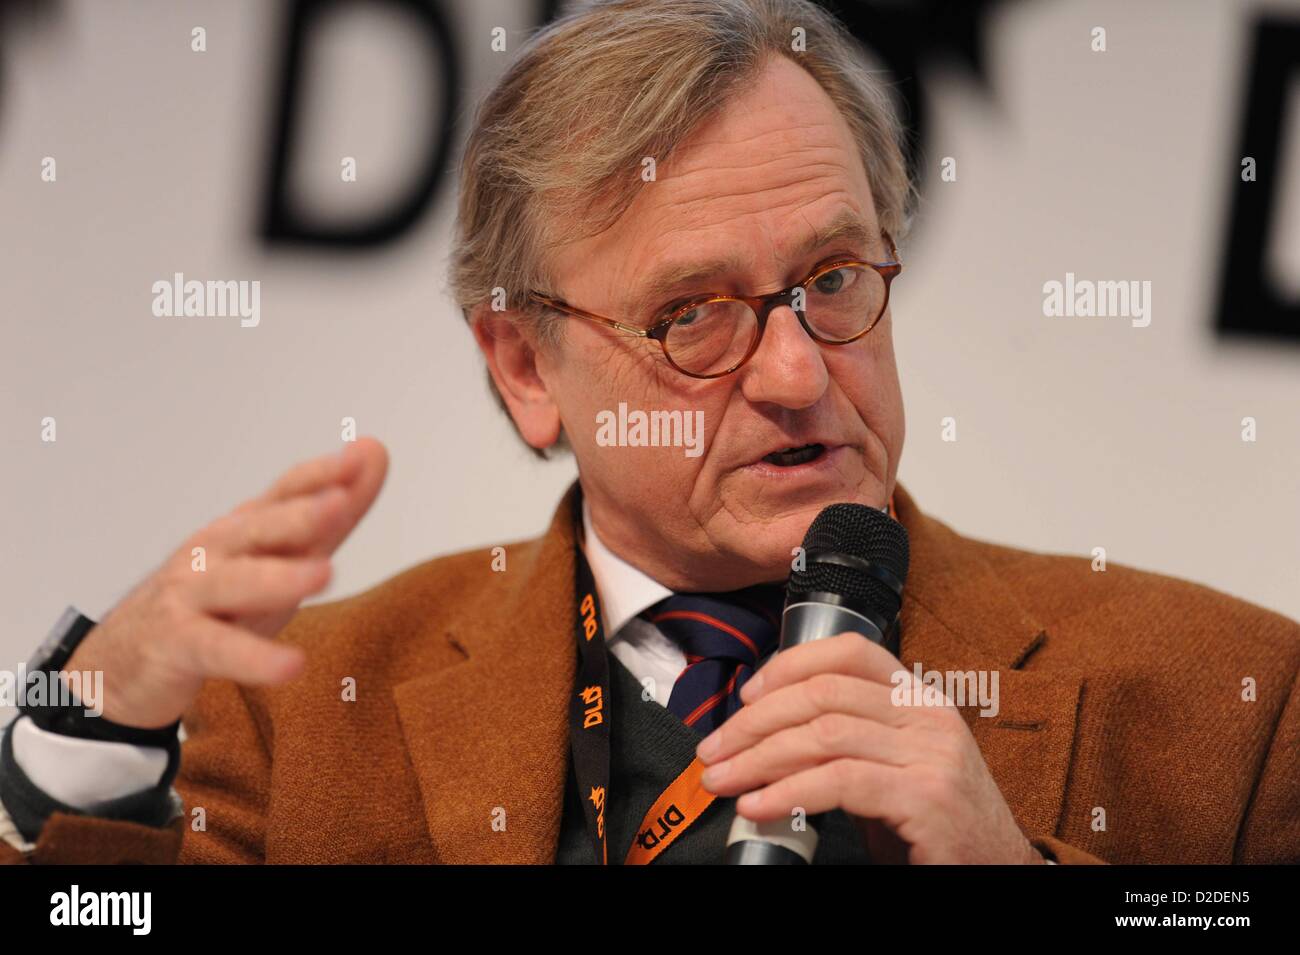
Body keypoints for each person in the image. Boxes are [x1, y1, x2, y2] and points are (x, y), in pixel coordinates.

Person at [2, 0, 1296, 865]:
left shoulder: (1231, 702)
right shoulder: (297, 716)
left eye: (834, 281)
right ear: (526, 367)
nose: (798, 372)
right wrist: (92, 732)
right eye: (694, 315)